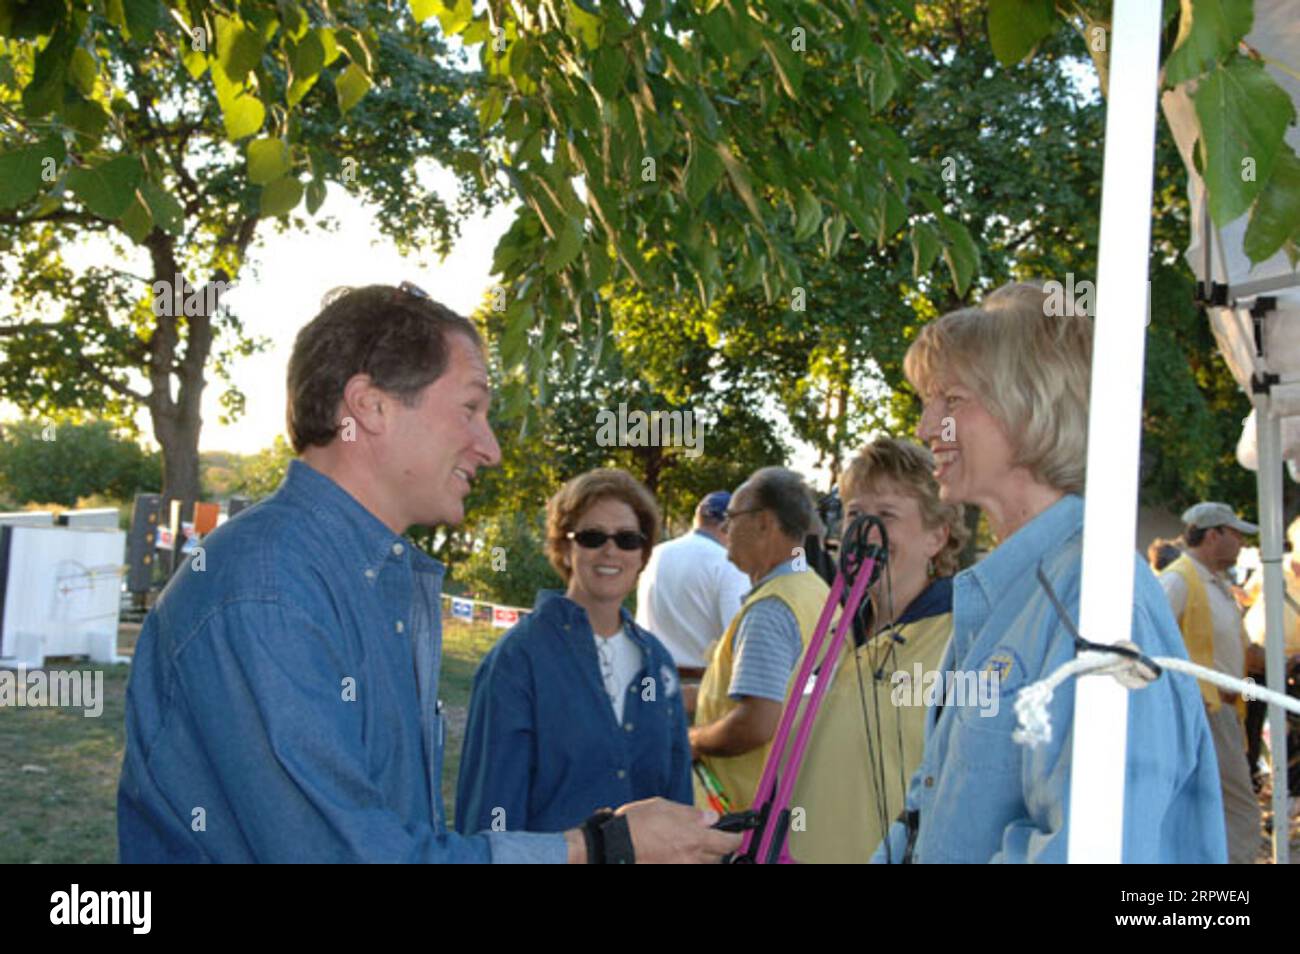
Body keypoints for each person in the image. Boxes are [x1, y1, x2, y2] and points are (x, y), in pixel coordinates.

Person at [117, 284, 739, 864]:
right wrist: (598, 848)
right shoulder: (269, 592)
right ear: (371, 406)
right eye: (470, 407)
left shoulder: (367, 582)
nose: (490, 447)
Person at [874, 281, 1225, 863]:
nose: (926, 427)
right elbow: (929, 810)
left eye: (952, 400)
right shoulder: (1010, 591)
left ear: (1031, 402)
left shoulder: (1097, 600)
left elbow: (1096, 854)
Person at [456, 469, 692, 834]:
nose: (610, 550)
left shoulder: (657, 662)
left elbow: (677, 800)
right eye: (592, 537)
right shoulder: (517, 660)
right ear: (566, 548)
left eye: (628, 539)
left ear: (642, 554)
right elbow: (491, 813)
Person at [787, 438, 967, 863]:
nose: (865, 532)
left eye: (886, 515)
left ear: (936, 536)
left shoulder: (962, 643)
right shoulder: (832, 630)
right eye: (855, 515)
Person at [689, 467, 830, 812]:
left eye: (731, 518)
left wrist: (692, 740)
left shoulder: (771, 610)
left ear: (764, 523)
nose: (724, 529)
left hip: (741, 812)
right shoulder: (814, 590)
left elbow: (757, 722)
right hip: (789, 801)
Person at [1160, 502, 1263, 863]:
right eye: (1235, 533)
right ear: (1213, 534)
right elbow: (1151, 643)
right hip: (1204, 710)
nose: (1240, 542)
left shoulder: (1213, 583)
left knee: (1220, 805)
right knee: (1238, 808)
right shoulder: (1179, 580)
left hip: (1223, 710)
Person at [635, 491, 750, 682]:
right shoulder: (729, 565)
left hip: (650, 678)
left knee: (650, 711)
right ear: (729, 526)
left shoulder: (656, 554)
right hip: (700, 684)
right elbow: (739, 639)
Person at [1243, 515, 1300, 790]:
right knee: (1249, 719)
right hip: (1254, 664)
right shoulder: (1272, 569)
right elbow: (1247, 596)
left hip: (1293, 668)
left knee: (1292, 725)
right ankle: (1250, 774)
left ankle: (1288, 787)